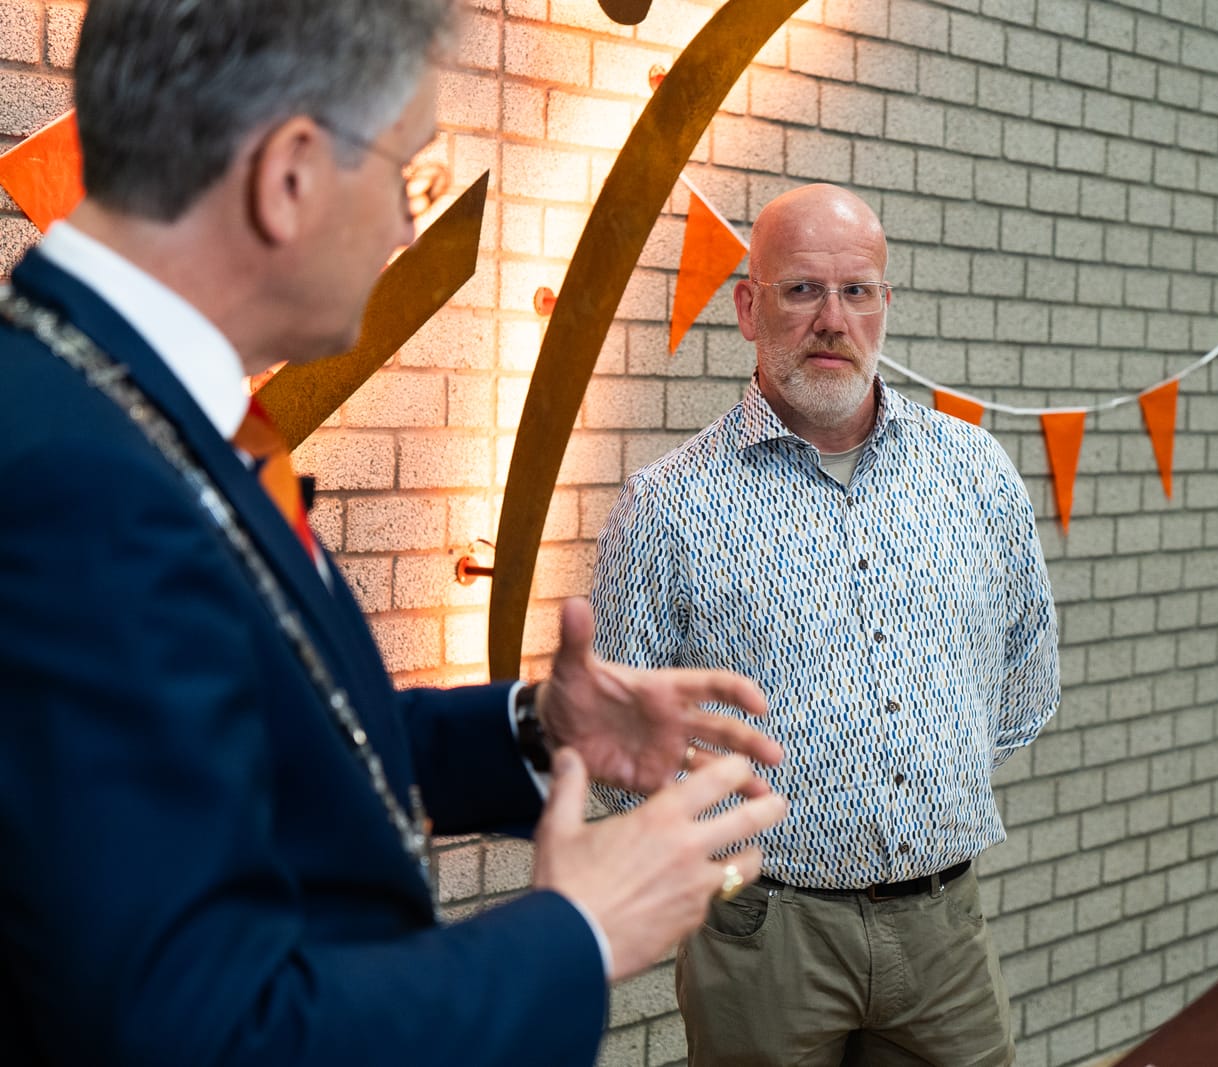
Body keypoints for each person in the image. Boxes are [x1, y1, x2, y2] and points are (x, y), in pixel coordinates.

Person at [0, 2, 787, 1064]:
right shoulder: (82, 486)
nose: (411, 230)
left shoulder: (123, 405)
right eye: (409, 175)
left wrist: (533, 727)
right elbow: (205, 1032)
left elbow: (255, 737)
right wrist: (579, 929)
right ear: (289, 176)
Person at [590, 183, 1061, 1066]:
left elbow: (1023, 680)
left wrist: (917, 782)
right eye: (802, 289)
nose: (832, 319)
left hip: (942, 930)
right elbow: (625, 757)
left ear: (886, 305)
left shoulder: (975, 475)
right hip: (763, 936)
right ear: (747, 306)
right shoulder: (668, 504)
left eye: (858, 291)